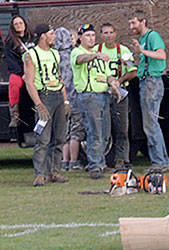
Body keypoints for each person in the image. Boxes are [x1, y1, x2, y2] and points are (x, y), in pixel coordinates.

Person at [22, 23, 67, 186]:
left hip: (57, 95)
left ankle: (55, 171)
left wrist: (66, 99)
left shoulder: (55, 53)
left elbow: (59, 76)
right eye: (52, 34)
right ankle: (40, 174)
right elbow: (29, 82)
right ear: (43, 36)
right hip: (45, 96)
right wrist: (39, 104)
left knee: (60, 137)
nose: (54, 37)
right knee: (43, 138)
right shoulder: (31, 55)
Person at [130, 12, 169, 169]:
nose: (131, 27)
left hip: (151, 82)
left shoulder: (153, 36)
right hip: (147, 81)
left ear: (143, 21)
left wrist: (142, 52)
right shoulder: (143, 39)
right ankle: (162, 160)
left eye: (134, 23)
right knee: (151, 124)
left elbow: (161, 55)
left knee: (150, 124)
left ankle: (159, 162)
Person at [71, 24, 110, 178]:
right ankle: (94, 165)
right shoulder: (77, 52)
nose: (91, 38)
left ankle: (101, 162)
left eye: (93, 35)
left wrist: (114, 82)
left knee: (105, 133)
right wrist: (95, 55)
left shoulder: (98, 54)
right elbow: (80, 60)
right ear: (80, 37)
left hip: (103, 94)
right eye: (87, 35)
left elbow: (106, 74)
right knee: (94, 132)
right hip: (89, 96)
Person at [98, 23, 135, 169]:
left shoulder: (123, 51)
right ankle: (101, 160)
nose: (108, 36)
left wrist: (120, 81)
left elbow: (133, 70)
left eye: (111, 32)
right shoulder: (97, 50)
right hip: (102, 93)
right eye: (105, 33)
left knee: (122, 128)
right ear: (101, 35)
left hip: (121, 93)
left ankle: (121, 159)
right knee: (103, 129)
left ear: (115, 33)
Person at [57, 27, 83, 171]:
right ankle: (74, 162)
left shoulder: (53, 56)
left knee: (65, 132)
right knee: (76, 132)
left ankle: (64, 161)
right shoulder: (74, 54)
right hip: (75, 98)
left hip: (61, 100)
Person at [4, 15, 29, 133]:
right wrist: (22, 73)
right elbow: (10, 60)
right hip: (19, 71)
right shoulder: (10, 42)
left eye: (21, 23)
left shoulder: (32, 38)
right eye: (16, 24)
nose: (19, 25)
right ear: (13, 27)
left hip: (34, 70)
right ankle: (14, 115)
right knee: (14, 83)